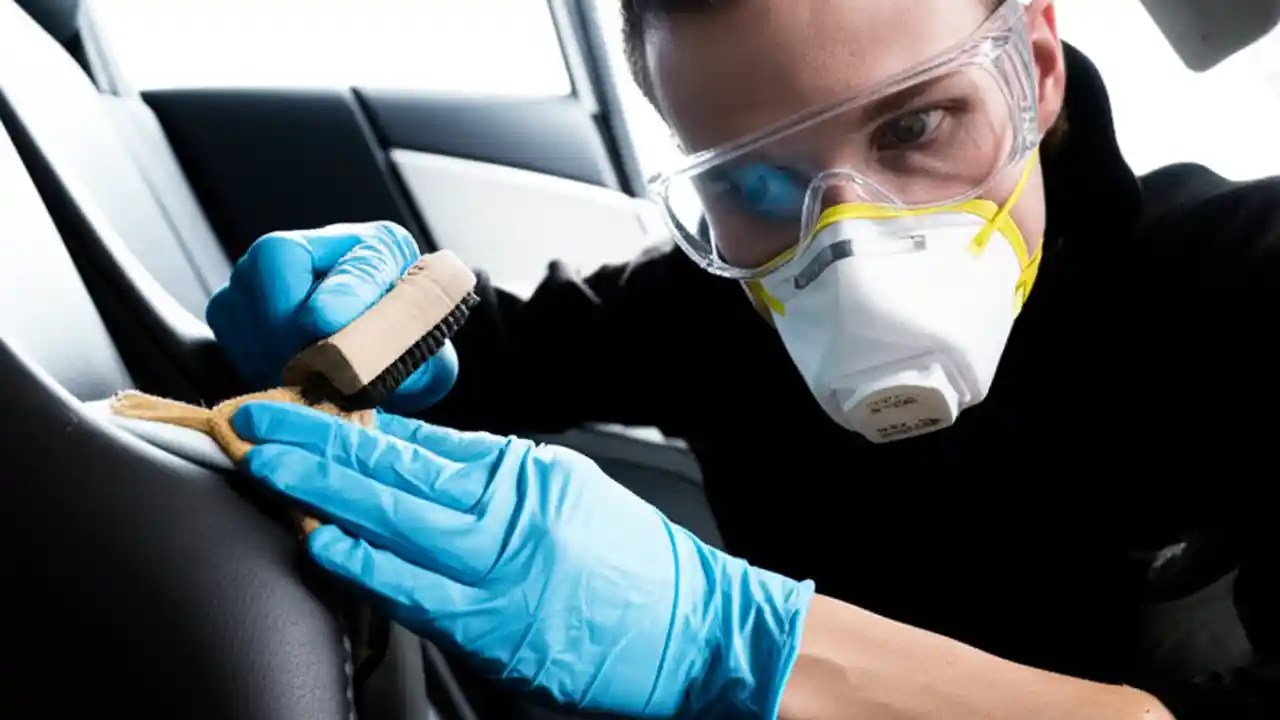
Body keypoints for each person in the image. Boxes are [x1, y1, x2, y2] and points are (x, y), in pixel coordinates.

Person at [208, 0, 1280, 717]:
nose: (850, 241)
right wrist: (380, 330)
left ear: (1032, 72)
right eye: (755, 182)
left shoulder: (1242, 284)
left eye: (914, 126)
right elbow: (494, 358)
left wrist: (747, 652)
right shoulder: (717, 311)